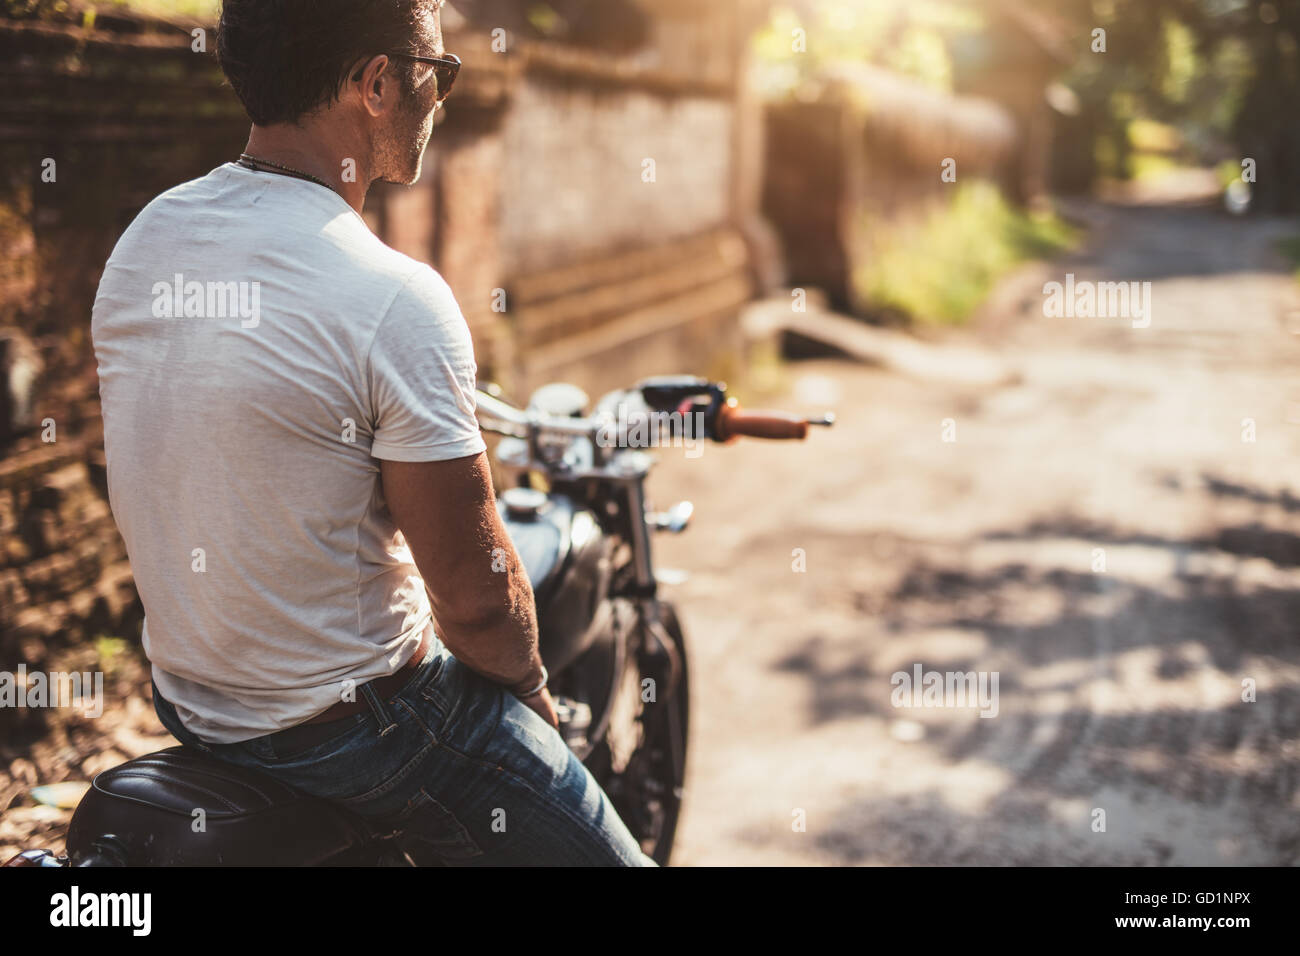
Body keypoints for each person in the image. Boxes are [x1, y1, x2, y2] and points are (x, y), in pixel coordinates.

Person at [90, 0, 653, 866]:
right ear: (378, 83)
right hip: (366, 732)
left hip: (195, 703)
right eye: (437, 71)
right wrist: (531, 697)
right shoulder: (392, 295)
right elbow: (474, 600)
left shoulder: (147, 241)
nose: (442, 95)